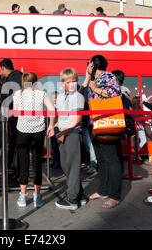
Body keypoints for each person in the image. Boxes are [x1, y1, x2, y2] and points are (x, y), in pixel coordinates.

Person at [83, 55, 122, 209]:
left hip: (107, 123)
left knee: (112, 159)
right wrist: (87, 79)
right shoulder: (92, 79)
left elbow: (114, 94)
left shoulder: (108, 76)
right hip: (95, 124)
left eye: (89, 64)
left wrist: (95, 88)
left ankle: (115, 195)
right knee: (101, 159)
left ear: (93, 64)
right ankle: (104, 190)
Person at [13, 72, 55, 208]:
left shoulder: (18, 94)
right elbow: (52, 110)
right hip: (38, 132)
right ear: (35, 81)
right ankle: (37, 197)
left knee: (23, 163)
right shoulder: (41, 94)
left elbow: (15, 112)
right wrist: (51, 125)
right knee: (37, 164)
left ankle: (23, 196)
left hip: (22, 131)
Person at [54, 68, 87, 210]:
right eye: (69, 82)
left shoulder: (78, 97)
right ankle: (80, 195)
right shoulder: (60, 96)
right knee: (66, 167)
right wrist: (53, 127)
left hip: (72, 134)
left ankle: (72, 199)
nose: (73, 84)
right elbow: (58, 115)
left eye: (74, 81)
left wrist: (63, 132)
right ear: (63, 83)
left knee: (73, 167)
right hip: (62, 134)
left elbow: (78, 119)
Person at [0, 58, 22, 182]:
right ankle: (19, 171)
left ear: (3, 68)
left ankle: (16, 172)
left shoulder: (10, 80)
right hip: (22, 116)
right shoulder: (21, 77)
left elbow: (6, 101)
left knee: (15, 144)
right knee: (20, 146)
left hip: (14, 117)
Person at [132, 96, 147, 161]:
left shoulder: (139, 108)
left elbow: (142, 118)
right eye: (140, 100)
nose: (141, 101)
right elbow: (134, 118)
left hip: (139, 126)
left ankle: (135, 154)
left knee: (140, 142)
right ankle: (136, 155)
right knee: (138, 142)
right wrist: (139, 123)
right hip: (136, 127)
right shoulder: (134, 109)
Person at [49, 92, 61, 169]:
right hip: (52, 127)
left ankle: (58, 162)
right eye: (53, 98)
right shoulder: (51, 106)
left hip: (57, 127)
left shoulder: (60, 106)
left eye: (56, 98)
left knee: (57, 146)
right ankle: (54, 160)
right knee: (53, 146)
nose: (54, 99)